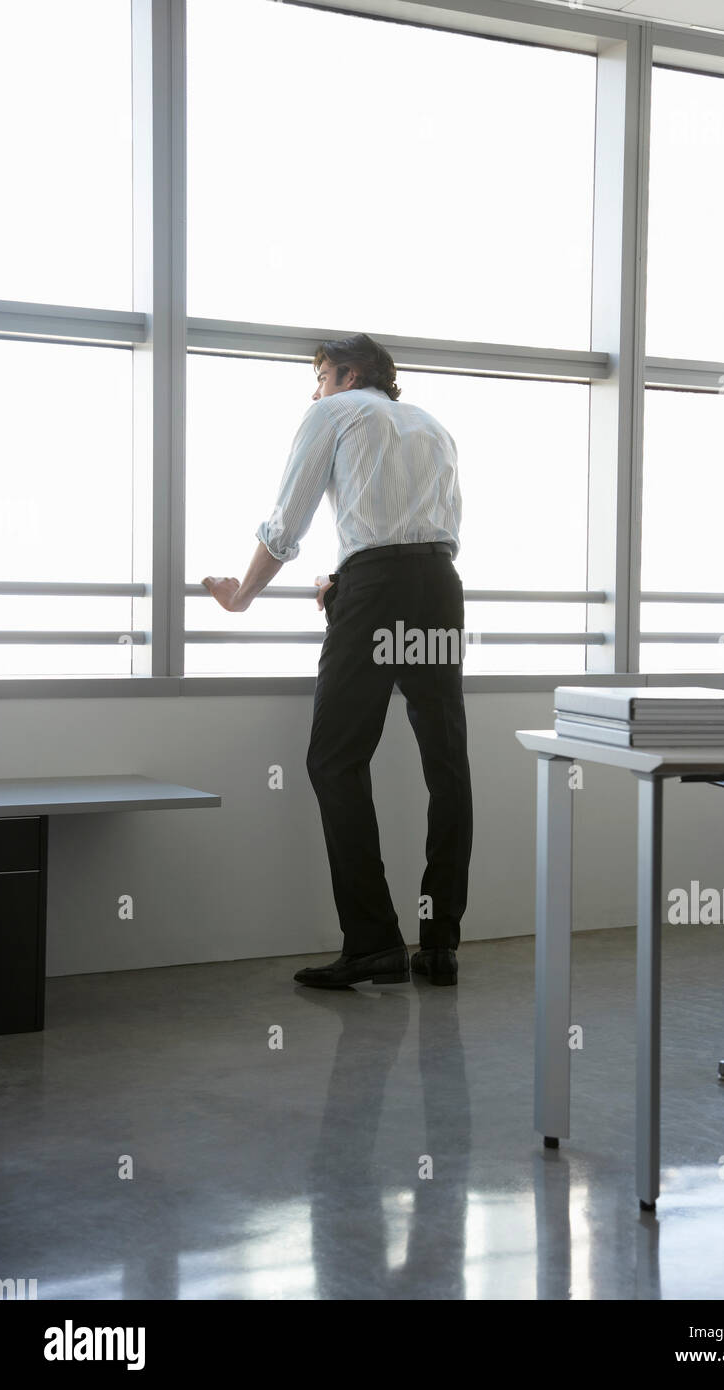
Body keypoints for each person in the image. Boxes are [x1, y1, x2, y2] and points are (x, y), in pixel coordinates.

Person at [202, 333, 472, 988]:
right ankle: (439, 947)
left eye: (320, 375)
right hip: (439, 588)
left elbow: (287, 519)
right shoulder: (433, 427)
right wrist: (347, 579)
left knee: (335, 758)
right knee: (446, 764)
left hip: (377, 591)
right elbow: (422, 531)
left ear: (348, 375)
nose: (315, 389)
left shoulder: (333, 413)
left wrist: (241, 594)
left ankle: (374, 942)